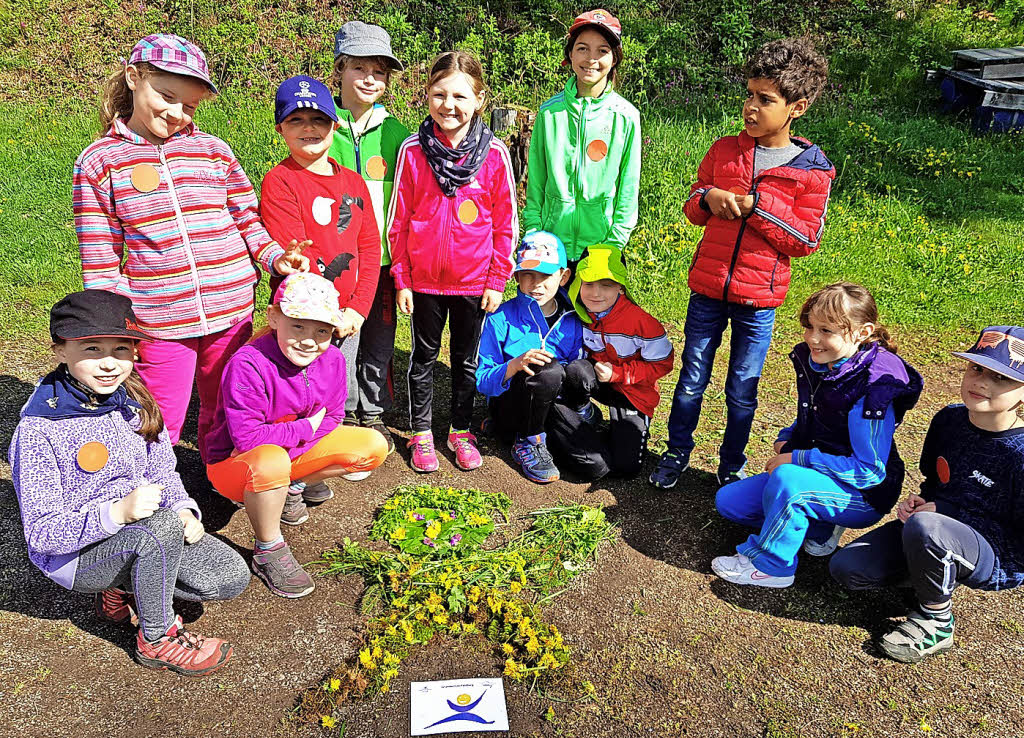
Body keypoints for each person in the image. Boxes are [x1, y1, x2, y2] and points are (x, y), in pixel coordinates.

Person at [73, 34, 308, 461]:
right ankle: (153, 494)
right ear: (133, 78)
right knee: (159, 415)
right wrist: (114, 320)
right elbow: (100, 253)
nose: (176, 113)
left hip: (230, 307)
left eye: (190, 106)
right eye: (166, 96)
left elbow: (245, 219)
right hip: (160, 319)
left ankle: (223, 476)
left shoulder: (213, 152)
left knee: (229, 405)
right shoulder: (99, 161)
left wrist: (277, 256)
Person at [9, 290, 249, 675]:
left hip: (146, 527)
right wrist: (115, 513)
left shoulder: (133, 400)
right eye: (91, 349)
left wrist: (185, 509)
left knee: (229, 577)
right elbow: (42, 535)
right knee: (154, 531)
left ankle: (123, 585)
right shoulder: (40, 430)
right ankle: (156, 638)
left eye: (121, 349)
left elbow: (162, 472)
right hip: (76, 557)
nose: (109, 364)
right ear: (60, 351)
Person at [650, 38, 835, 490]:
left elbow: (805, 239)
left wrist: (759, 205)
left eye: (765, 99)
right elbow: (692, 206)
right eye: (749, 95)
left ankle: (730, 465)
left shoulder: (813, 171)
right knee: (692, 379)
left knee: (742, 390)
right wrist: (708, 197)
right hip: (707, 289)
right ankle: (676, 453)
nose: (751, 107)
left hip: (759, 302)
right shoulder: (724, 150)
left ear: (798, 107)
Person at [831, 326, 1024, 663]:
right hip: (939, 528)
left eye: (1001, 378)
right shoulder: (949, 420)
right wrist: (921, 502)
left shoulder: (1019, 454)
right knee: (848, 568)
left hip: (996, 552)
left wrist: (944, 516)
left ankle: (936, 621)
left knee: (929, 530)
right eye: (976, 368)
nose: (982, 382)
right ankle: (931, 573)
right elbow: (936, 482)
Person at [711, 282, 922, 588]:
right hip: (827, 474)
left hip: (864, 495)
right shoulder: (825, 363)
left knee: (788, 483)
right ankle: (820, 527)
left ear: (863, 333)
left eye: (826, 330)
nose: (812, 338)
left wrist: (798, 457)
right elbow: (818, 416)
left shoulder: (873, 389)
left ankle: (771, 565)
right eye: (809, 326)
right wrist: (789, 436)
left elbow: (869, 472)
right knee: (731, 502)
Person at [204, 274, 389, 599]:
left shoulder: (332, 359)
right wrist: (306, 428)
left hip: (281, 455)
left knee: (373, 446)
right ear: (274, 317)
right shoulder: (248, 363)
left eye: (322, 330)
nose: (309, 340)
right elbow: (248, 439)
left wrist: (304, 438)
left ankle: (289, 488)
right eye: (298, 326)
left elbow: (332, 417)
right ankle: (268, 548)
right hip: (231, 466)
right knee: (271, 461)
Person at [386, 51, 517, 473]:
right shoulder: (412, 150)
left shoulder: (495, 154)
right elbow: (398, 218)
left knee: (465, 360)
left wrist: (497, 279)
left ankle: (461, 429)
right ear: (426, 95)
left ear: (479, 99)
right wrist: (402, 278)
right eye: (439, 93)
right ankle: (421, 432)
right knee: (422, 359)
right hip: (423, 281)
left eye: (460, 95)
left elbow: (505, 223)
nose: (449, 105)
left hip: (474, 282)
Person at [259, 75, 382, 467]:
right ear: (280, 129)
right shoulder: (280, 182)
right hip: (303, 316)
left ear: (335, 125)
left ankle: (324, 457)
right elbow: (295, 255)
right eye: (296, 120)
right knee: (295, 388)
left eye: (319, 119)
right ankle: (289, 464)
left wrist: (358, 309)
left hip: (345, 314)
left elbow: (368, 247)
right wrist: (321, 316)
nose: (309, 128)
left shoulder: (354, 182)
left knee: (335, 388)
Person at [328, 22, 411, 452]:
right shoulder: (321, 126)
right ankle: (339, 413)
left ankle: (373, 410)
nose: (369, 79)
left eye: (379, 72)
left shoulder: (397, 133)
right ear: (339, 69)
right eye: (359, 68)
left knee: (380, 335)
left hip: (382, 258)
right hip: (337, 260)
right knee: (342, 337)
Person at [522, 9, 641, 266]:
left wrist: (613, 244)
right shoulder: (549, 113)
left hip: (602, 246)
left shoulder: (626, 116)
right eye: (583, 48)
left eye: (602, 50)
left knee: (592, 308)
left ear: (615, 58)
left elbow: (628, 191)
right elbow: (536, 182)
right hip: (550, 245)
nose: (592, 59)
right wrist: (534, 232)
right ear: (570, 54)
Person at [476, 231, 583, 483]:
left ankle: (555, 432)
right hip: (510, 405)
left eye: (546, 275)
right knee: (547, 368)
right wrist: (514, 365)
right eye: (528, 275)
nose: (537, 284)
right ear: (516, 277)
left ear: (563, 276)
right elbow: (481, 379)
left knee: (593, 466)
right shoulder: (499, 317)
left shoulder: (574, 319)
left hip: (553, 405)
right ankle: (524, 440)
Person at [562, 244, 674, 479]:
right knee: (577, 372)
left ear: (621, 288)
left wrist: (619, 374)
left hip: (632, 392)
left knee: (626, 467)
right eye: (588, 284)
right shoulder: (576, 315)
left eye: (607, 285)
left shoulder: (643, 323)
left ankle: (622, 429)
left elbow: (663, 364)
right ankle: (585, 412)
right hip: (596, 380)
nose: (596, 293)